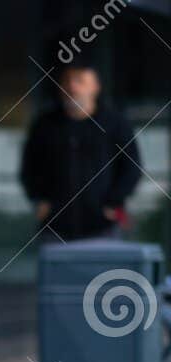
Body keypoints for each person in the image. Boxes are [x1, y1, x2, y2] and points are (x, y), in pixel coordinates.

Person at [20, 60, 142, 243]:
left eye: (80, 81)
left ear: (95, 87)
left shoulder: (115, 124)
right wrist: (39, 199)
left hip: (103, 226)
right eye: (67, 81)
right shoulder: (45, 125)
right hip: (55, 227)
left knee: (104, 272)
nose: (72, 86)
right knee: (55, 271)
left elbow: (131, 168)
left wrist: (113, 202)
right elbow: (29, 167)